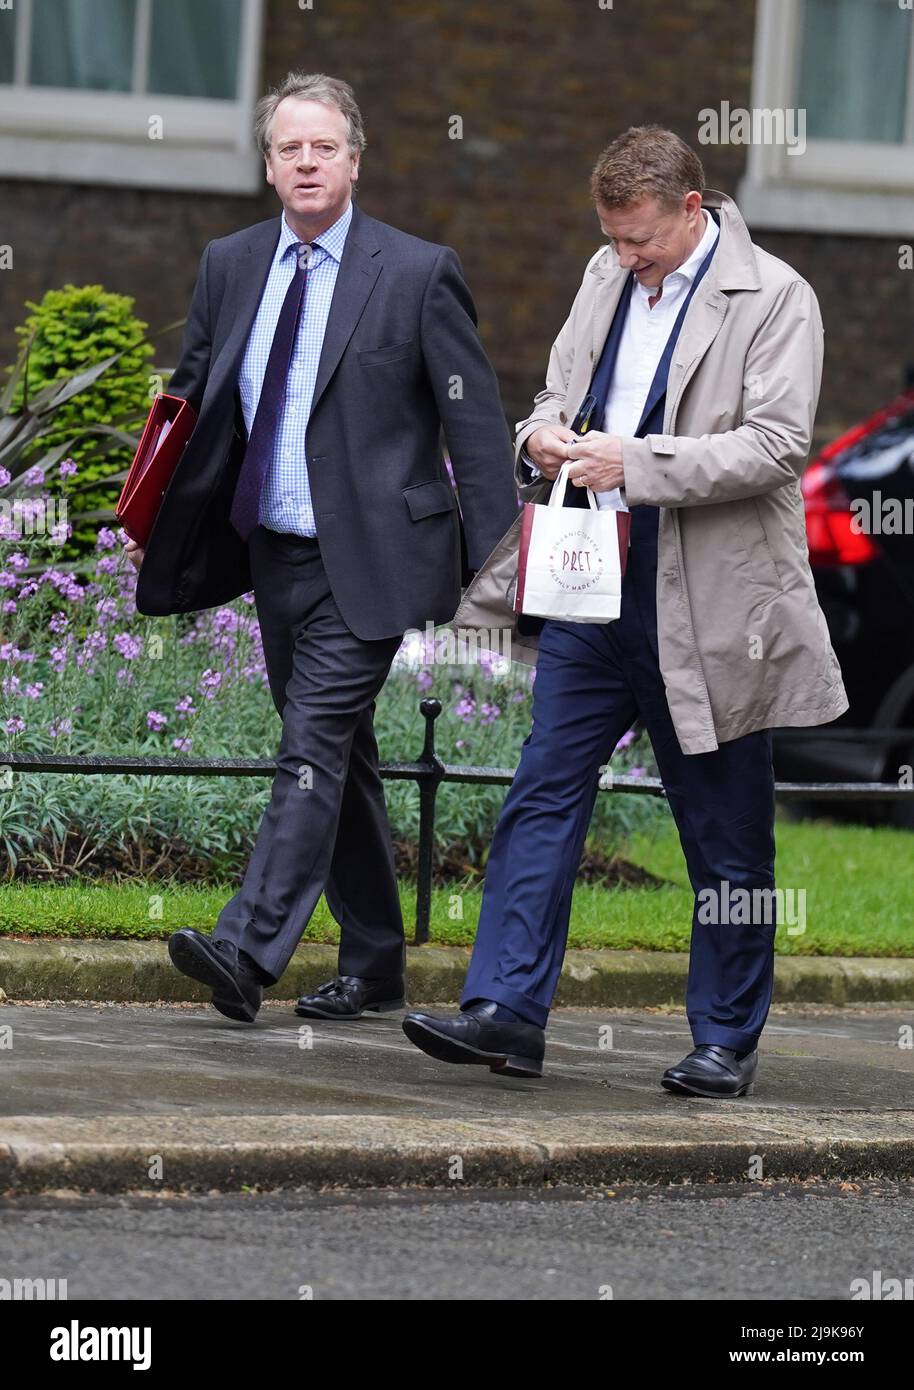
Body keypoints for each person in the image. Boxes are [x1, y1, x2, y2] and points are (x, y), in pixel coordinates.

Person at [403, 125, 848, 1098]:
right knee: (541, 791)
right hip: (590, 585)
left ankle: (724, 1038)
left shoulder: (774, 296)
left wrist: (630, 463)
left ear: (692, 209)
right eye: (609, 238)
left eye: (638, 240)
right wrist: (542, 439)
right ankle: (506, 1012)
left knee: (724, 831)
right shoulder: (602, 277)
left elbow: (777, 446)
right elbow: (549, 399)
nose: (622, 258)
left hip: (713, 604)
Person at [124, 71, 517, 1024]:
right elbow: (191, 400)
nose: (307, 162)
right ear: (268, 165)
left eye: (324, 147)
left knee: (309, 741)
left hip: (377, 557)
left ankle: (246, 948)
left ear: (354, 159)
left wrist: (503, 565)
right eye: (289, 148)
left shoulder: (417, 271)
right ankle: (378, 961)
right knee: (342, 758)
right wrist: (156, 511)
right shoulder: (230, 263)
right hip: (274, 553)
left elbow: (473, 424)